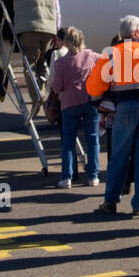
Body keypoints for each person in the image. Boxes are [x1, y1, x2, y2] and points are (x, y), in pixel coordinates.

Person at [86, 15, 139, 216]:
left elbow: (94, 87)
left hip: (122, 110)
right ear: (137, 33)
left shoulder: (110, 54)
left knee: (118, 158)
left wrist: (101, 102)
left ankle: (110, 201)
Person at [50, 26, 102, 188]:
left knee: (68, 141)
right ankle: (93, 176)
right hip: (90, 102)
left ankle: (67, 177)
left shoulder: (60, 63)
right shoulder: (92, 56)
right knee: (93, 139)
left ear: (66, 42)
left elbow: (57, 88)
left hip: (69, 104)